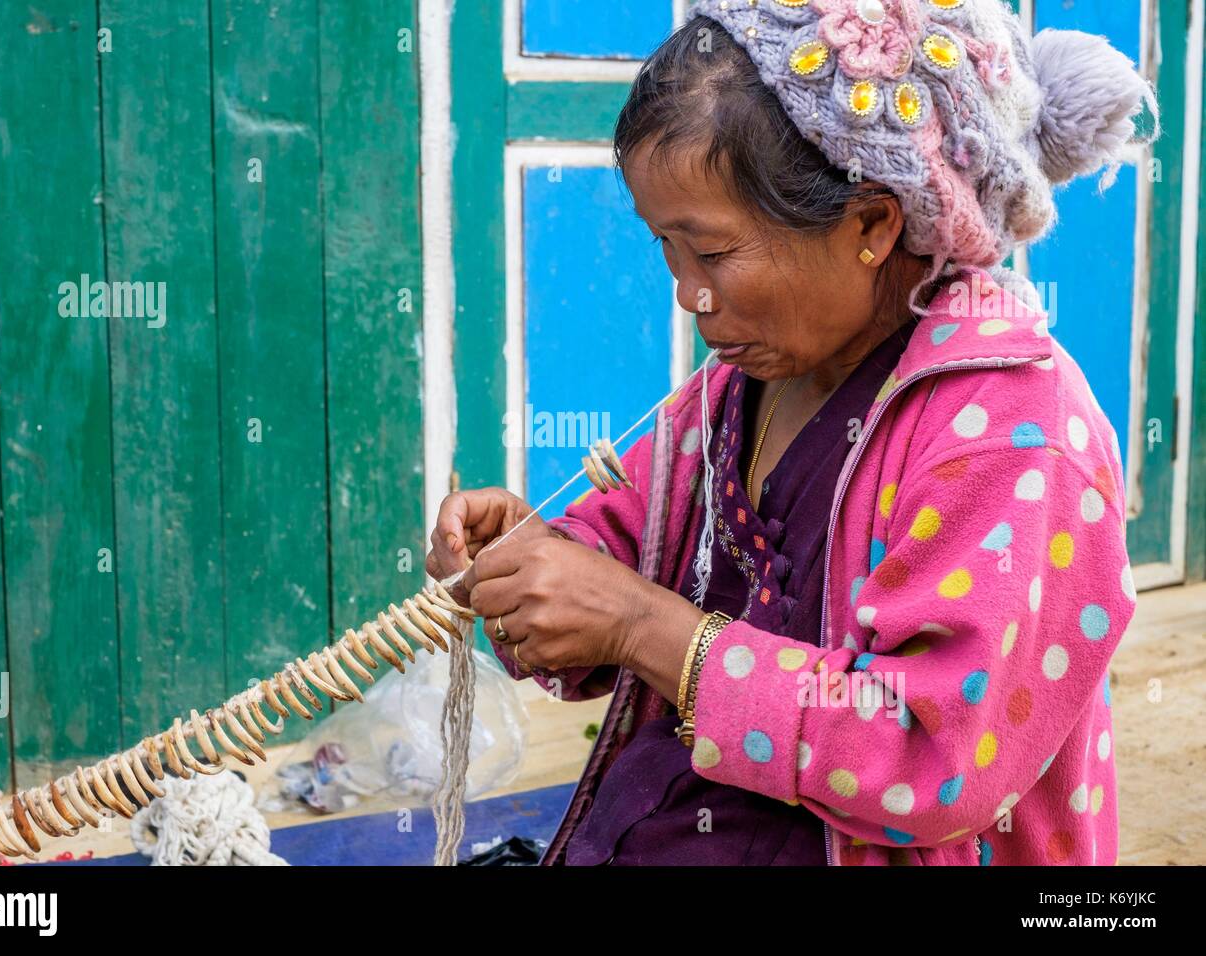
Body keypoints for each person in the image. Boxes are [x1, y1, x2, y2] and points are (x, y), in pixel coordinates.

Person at [426, 0, 1153, 865]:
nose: (689, 295)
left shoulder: (1012, 436)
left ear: (872, 226)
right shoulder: (745, 383)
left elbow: (927, 760)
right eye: (668, 248)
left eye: (715, 254)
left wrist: (641, 628)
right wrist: (543, 563)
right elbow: (634, 545)